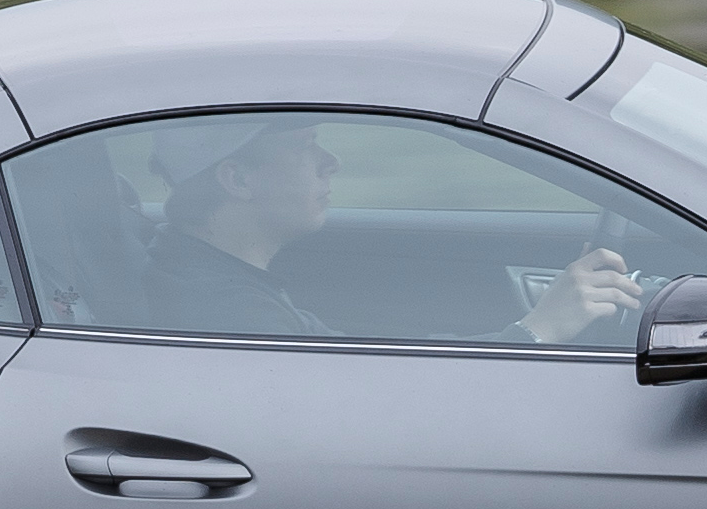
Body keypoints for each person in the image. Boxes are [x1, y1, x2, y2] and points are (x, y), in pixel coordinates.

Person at [147, 120, 645, 346]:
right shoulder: (229, 316)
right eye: (305, 146)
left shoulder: (214, 278)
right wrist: (539, 331)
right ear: (238, 179)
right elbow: (377, 404)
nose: (332, 163)